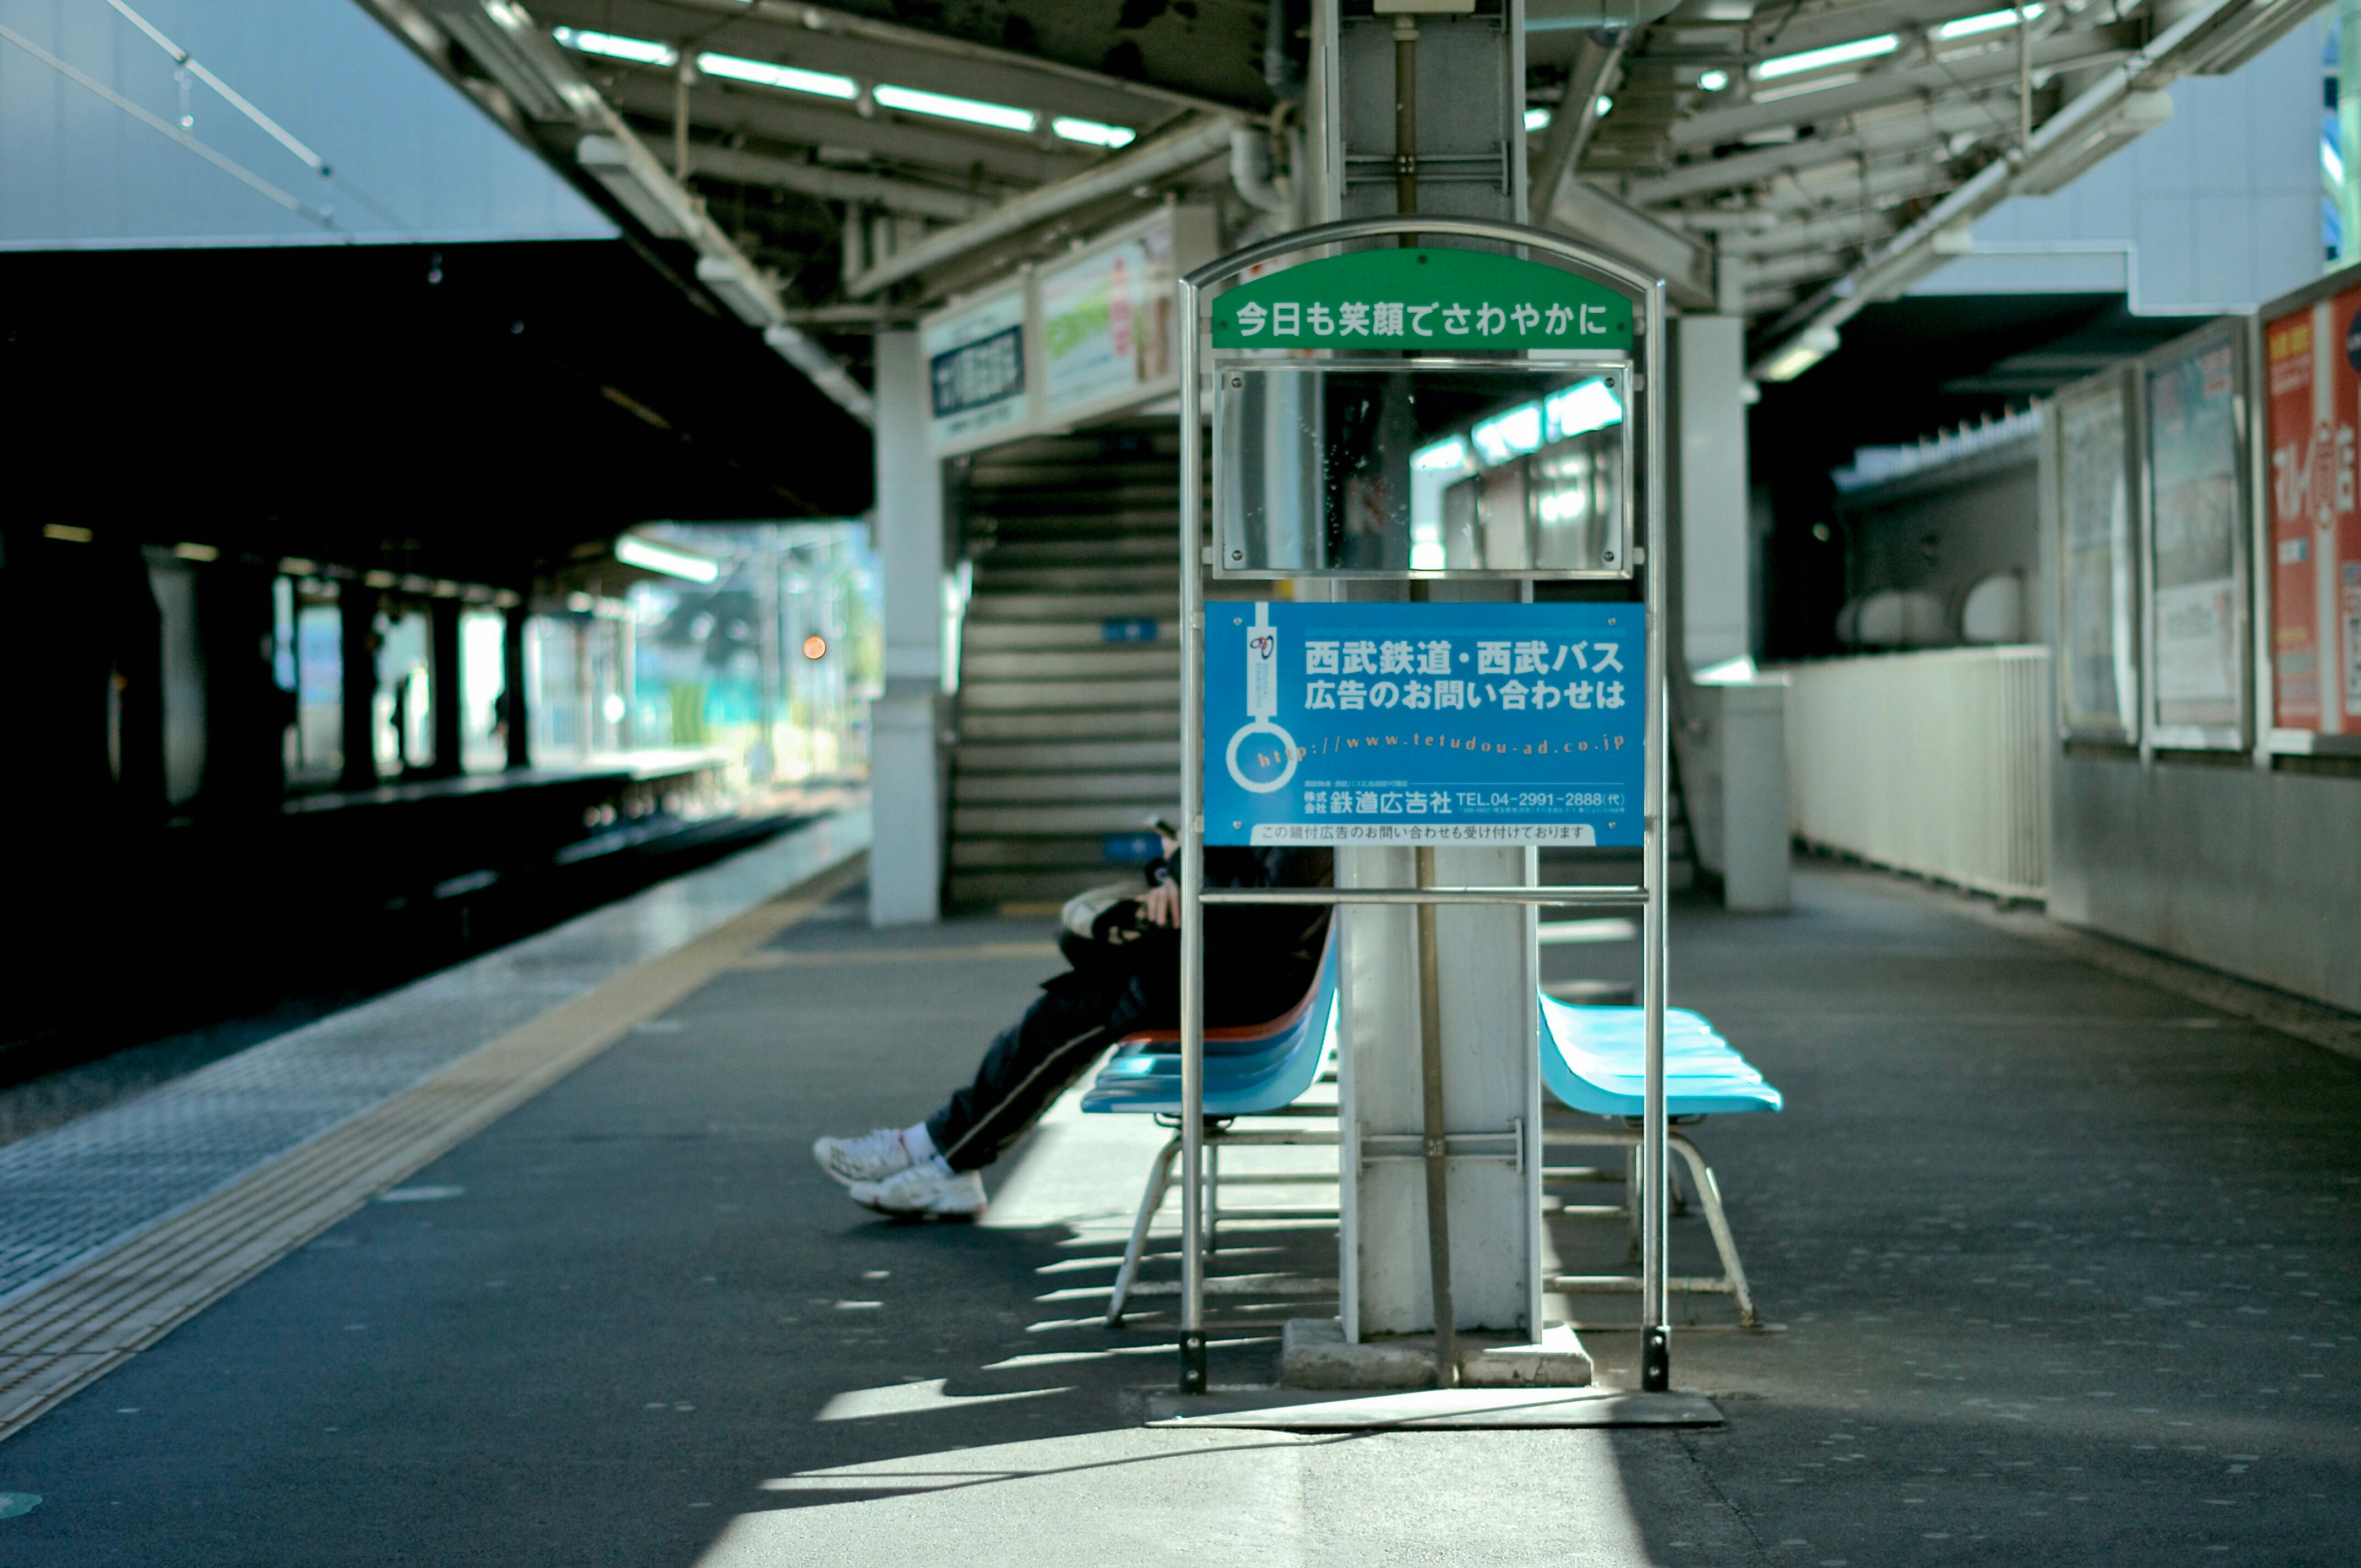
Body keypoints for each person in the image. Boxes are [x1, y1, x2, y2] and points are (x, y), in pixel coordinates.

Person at [813, 843, 1332, 1218]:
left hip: (1250, 986)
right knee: (1065, 1006)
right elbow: (1250, 880)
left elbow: (1274, 912)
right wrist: (1175, 873)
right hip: (1230, 968)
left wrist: (1183, 876)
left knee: (1065, 1012)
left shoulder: (1302, 794)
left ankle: (937, 1155)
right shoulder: (1279, 777)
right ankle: (940, 1155)